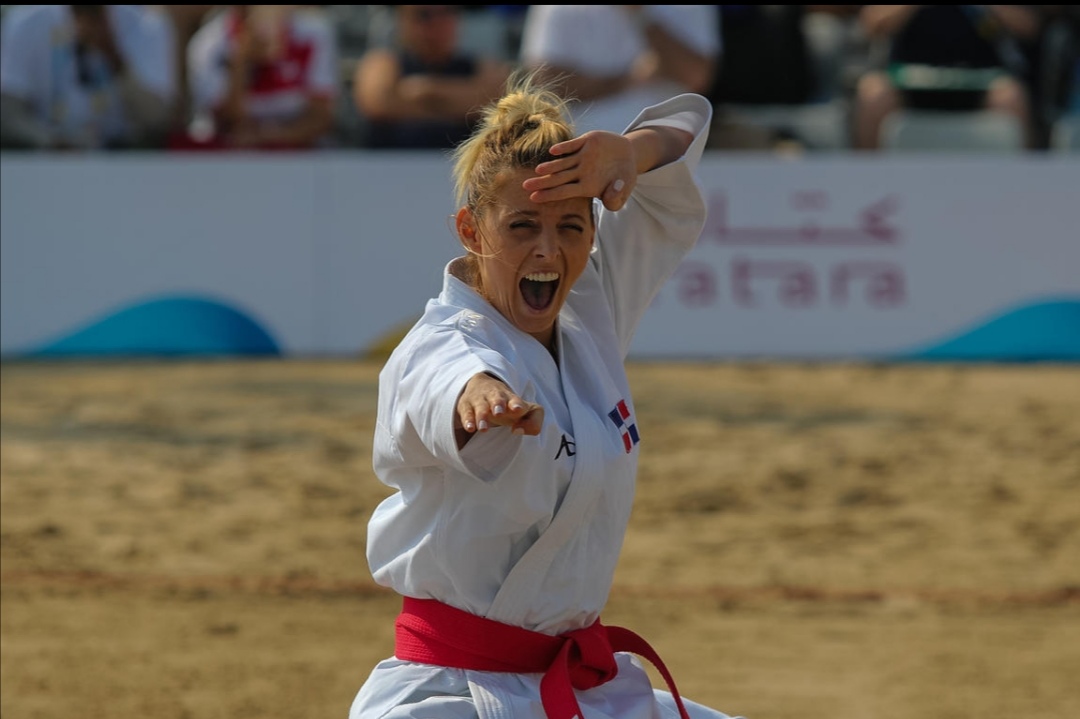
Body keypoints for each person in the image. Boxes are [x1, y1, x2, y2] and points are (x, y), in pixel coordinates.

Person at [347, 71, 744, 719]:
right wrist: (477, 397)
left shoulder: (591, 305)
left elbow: (687, 127)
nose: (548, 250)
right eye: (522, 225)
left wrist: (629, 152)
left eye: (570, 227)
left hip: (585, 685)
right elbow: (444, 379)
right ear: (470, 230)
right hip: (449, 692)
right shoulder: (441, 343)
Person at [851, 4, 1044, 150]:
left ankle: (1019, 187)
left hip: (980, 80)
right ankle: (870, 185)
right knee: (873, 94)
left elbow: (1029, 26)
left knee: (1012, 98)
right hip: (910, 80)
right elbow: (871, 23)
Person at [518, 5, 721, 135]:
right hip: (579, 155)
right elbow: (545, 84)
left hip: (667, 160)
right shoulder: (556, 8)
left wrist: (641, 15)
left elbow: (697, 77)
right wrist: (627, 79)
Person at [0, 4, 177, 151]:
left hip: (123, 161)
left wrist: (113, 57)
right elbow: (8, 114)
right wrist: (51, 142)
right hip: (44, 163)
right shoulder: (26, 22)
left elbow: (157, 120)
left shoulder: (147, 24)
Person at [350, 4, 513, 149]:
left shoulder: (480, 67)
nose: (437, 22)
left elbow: (497, 102)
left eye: (447, 12)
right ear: (403, 20)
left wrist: (424, 91)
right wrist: (461, 102)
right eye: (424, 14)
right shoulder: (384, 62)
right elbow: (378, 102)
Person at [178, 4, 339, 150]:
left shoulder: (314, 35)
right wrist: (242, 62)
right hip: (227, 156)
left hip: (299, 153)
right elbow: (227, 123)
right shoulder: (208, 44)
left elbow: (321, 118)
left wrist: (268, 136)